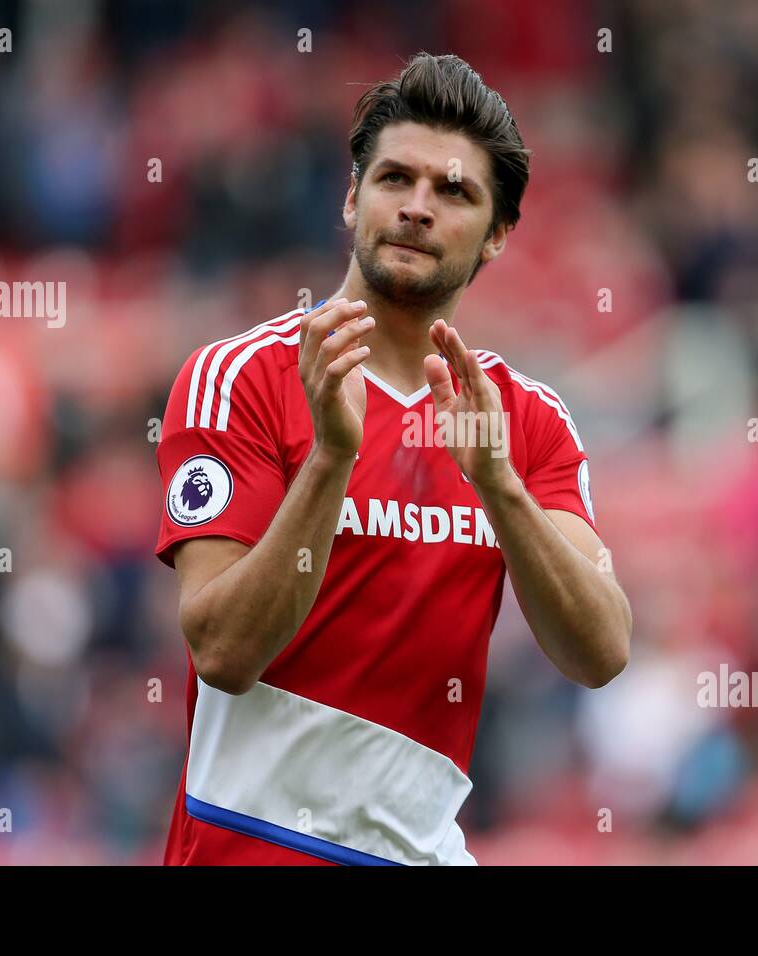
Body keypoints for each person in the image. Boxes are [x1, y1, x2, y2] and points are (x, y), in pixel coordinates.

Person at [154, 52, 631, 865]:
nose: (417, 208)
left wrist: (500, 489)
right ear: (350, 197)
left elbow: (601, 652)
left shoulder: (526, 420)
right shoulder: (236, 378)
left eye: (454, 193)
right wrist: (331, 459)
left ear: (498, 236)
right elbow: (224, 653)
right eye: (394, 179)